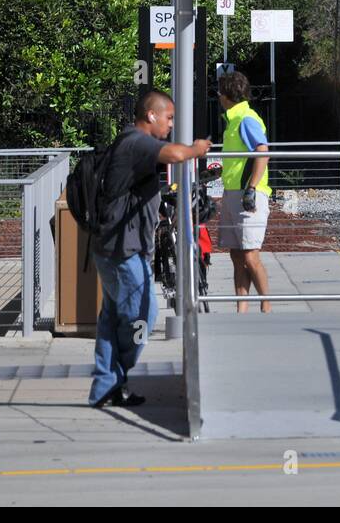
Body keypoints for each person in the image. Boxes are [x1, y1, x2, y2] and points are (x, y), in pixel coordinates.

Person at [88, 90, 211, 408]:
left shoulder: (129, 143)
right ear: (151, 115)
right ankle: (115, 376)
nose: (171, 124)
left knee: (113, 318)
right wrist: (195, 150)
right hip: (121, 250)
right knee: (143, 314)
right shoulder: (136, 142)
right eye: (169, 117)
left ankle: (106, 385)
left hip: (115, 246)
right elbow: (173, 154)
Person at [217, 71, 272, 313]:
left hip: (248, 195)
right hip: (232, 193)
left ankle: (267, 306)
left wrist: (251, 188)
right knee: (237, 256)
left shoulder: (246, 119)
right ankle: (242, 309)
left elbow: (262, 151)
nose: (218, 96)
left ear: (226, 95)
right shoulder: (233, 119)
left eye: (220, 92)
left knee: (250, 255)